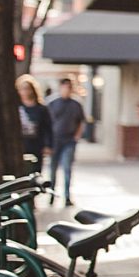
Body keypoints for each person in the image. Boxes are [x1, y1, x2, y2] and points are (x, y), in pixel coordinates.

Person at [44, 78, 86, 207]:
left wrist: (76, 136)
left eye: (69, 87)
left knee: (67, 168)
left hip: (69, 140)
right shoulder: (52, 103)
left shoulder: (76, 104)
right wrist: (47, 142)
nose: (66, 90)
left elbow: (81, 121)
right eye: (64, 87)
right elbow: (46, 124)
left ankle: (67, 197)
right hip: (55, 140)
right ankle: (51, 195)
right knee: (52, 169)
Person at [16, 76, 51, 172]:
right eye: (22, 89)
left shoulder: (41, 109)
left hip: (36, 143)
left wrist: (48, 145)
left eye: (27, 89)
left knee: (36, 169)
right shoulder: (16, 107)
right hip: (21, 143)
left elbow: (48, 127)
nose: (25, 92)